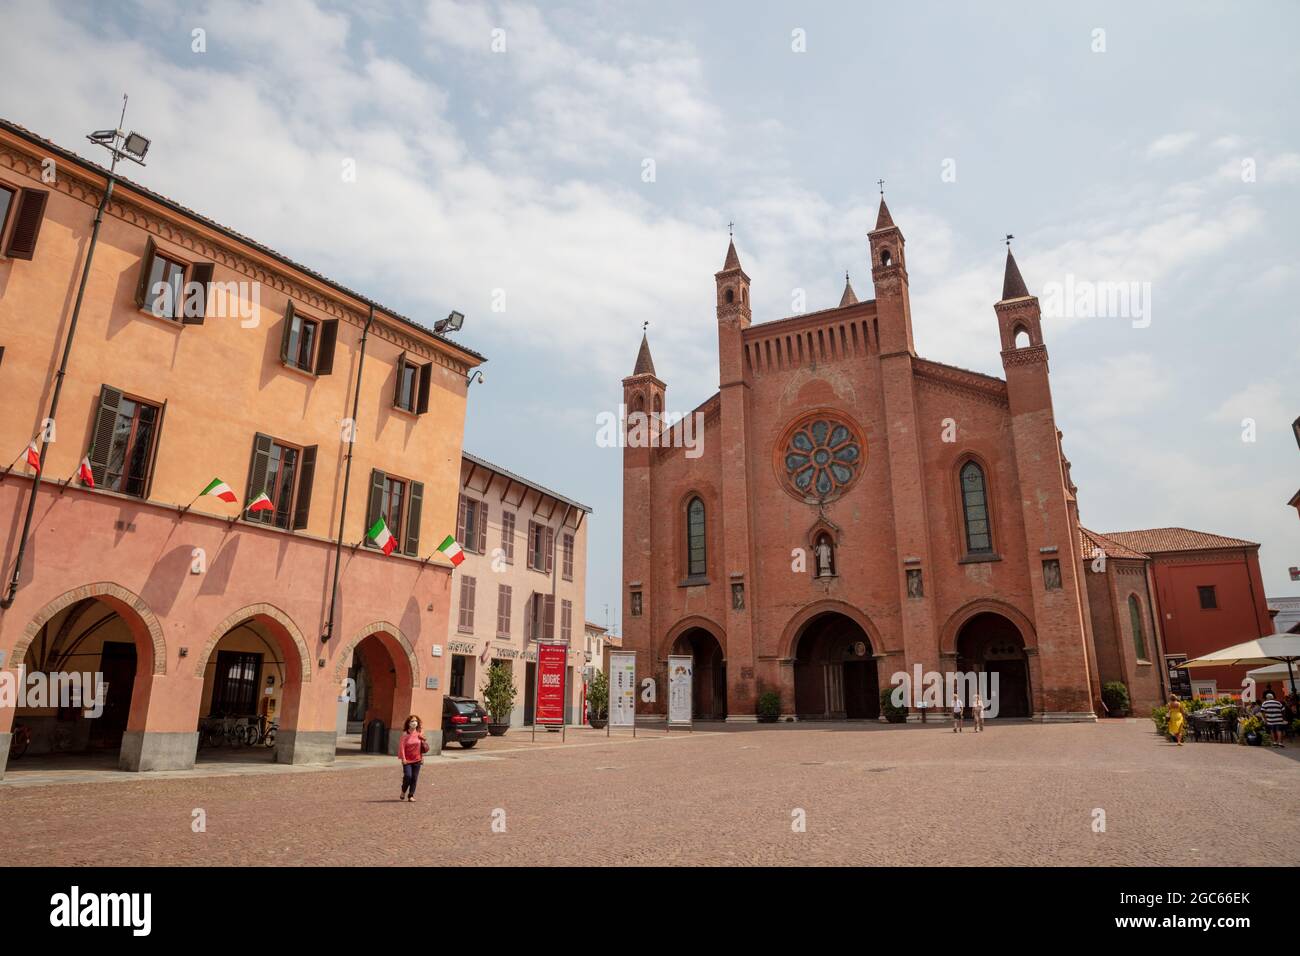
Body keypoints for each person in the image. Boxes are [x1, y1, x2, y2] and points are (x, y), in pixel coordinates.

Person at [398, 714, 428, 801]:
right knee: (408, 776)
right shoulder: (405, 734)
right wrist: (403, 758)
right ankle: (403, 791)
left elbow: (422, 747)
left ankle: (411, 795)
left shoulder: (419, 734)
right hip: (407, 760)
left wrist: (422, 757)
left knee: (414, 778)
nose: (414, 723)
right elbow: (402, 747)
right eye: (412, 721)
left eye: (415, 721)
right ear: (408, 723)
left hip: (417, 759)